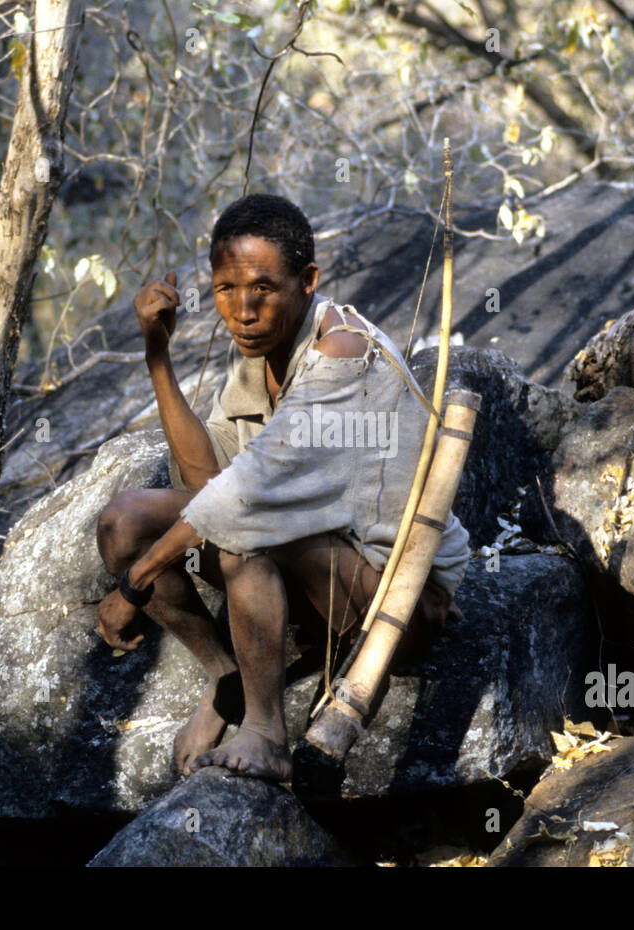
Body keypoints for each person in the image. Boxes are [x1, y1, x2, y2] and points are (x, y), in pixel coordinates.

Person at [95, 194, 470, 782]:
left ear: (307, 280)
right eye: (225, 290)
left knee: (249, 534)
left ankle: (267, 732)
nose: (243, 310)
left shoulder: (342, 351)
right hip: (314, 575)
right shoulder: (262, 348)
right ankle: (229, 679)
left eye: (263, 288)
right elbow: (204, 480)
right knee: (124, 522)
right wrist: (158, 354)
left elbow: (242, 498)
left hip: (396, 601)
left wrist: (136, 582)